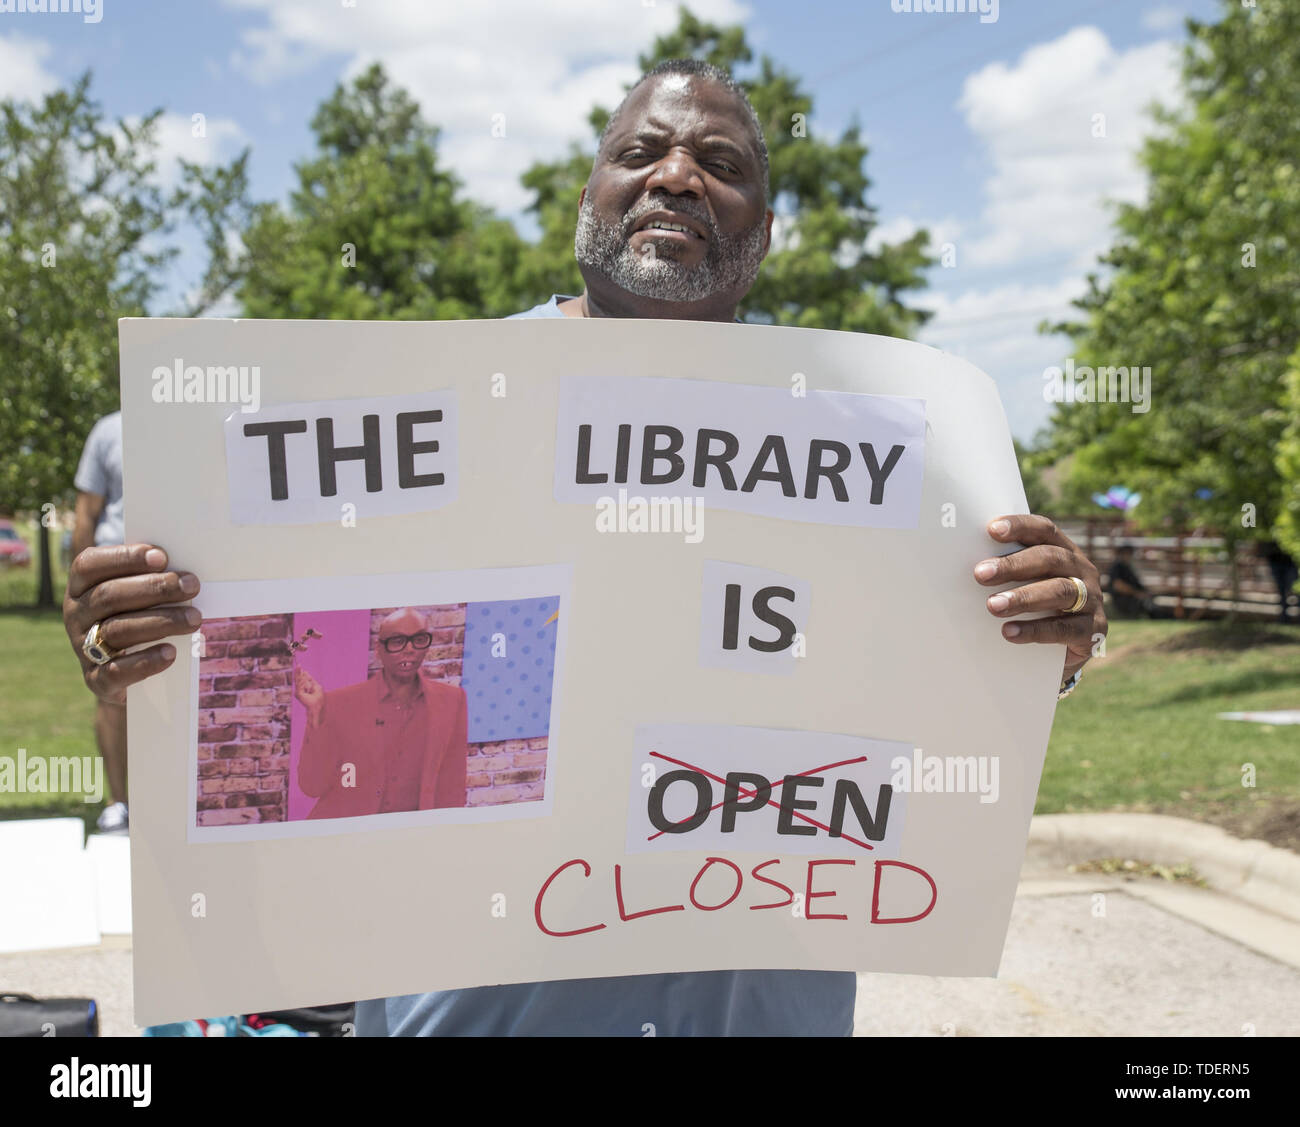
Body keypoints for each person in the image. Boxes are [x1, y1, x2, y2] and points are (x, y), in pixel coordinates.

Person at [62, 59, 1108, 1035]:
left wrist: (1034, 647)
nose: (680, 176)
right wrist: (152, 662)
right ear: (589, 199)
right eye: (642, 152)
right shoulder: (421, 417)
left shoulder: (882, 444)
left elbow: (917, 683)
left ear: (766, 230)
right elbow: (284, 699)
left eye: (723, 164)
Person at [294, 608, 469, 818]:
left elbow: (452, 785)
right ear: (379, 649)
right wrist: (316, 715)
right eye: (397, 641)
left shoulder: (452, 700)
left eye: (419, 639)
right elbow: (312, 786)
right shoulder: (338, 702)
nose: (410, 649)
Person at [72, 410, 129, 834]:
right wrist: (80, 594)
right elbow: (86, 513)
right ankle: (118, 802)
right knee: (111, 686)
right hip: (115, 578)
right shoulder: (108, 430)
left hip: (181, 572)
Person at [1106, 543, 1156, 619]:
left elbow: (1137, 584)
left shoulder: (1128, 567)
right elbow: (1118, 585)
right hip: (1123, 600)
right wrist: (1137, 593)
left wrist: (1144, 593)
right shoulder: (1117, 566)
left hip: (1133, 597)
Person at [1261, 540, 1298, 623]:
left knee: (1294, 589)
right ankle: (1284, 618)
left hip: (1290, 562)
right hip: (1275, 560)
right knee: (1281, 591)